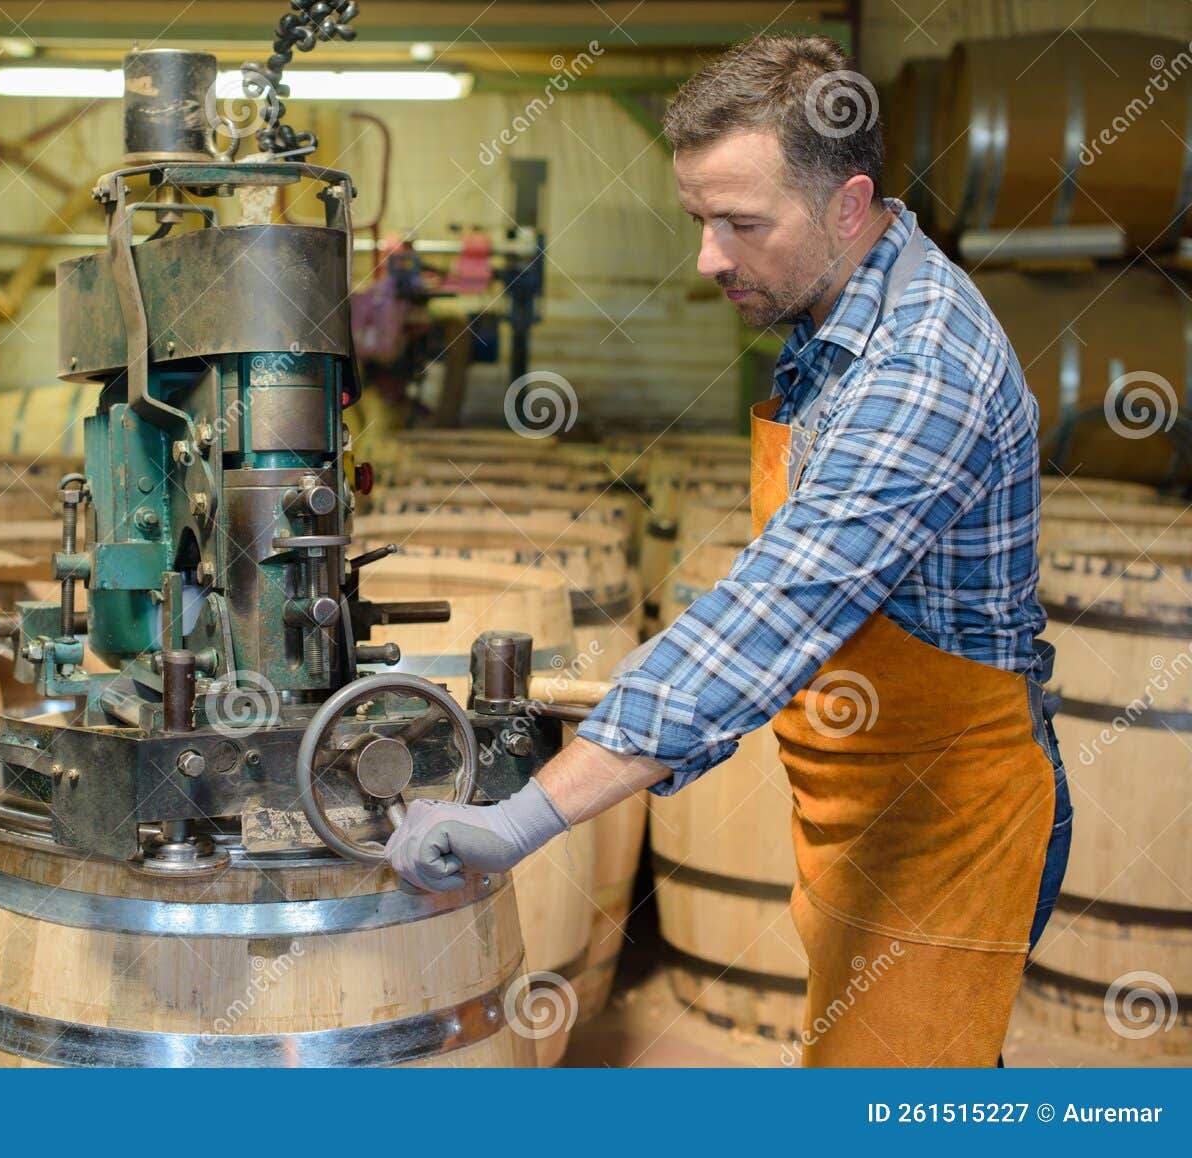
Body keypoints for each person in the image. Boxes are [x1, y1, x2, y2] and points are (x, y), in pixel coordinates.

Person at [384, 34, 1073, 1068]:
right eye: (699, 220)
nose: (709, 258)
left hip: (951, 814)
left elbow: (774, 615)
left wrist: (525, 819)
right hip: (868, 797)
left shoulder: (921, 368)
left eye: (742, 224)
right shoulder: (839, 309)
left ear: (848, 205)